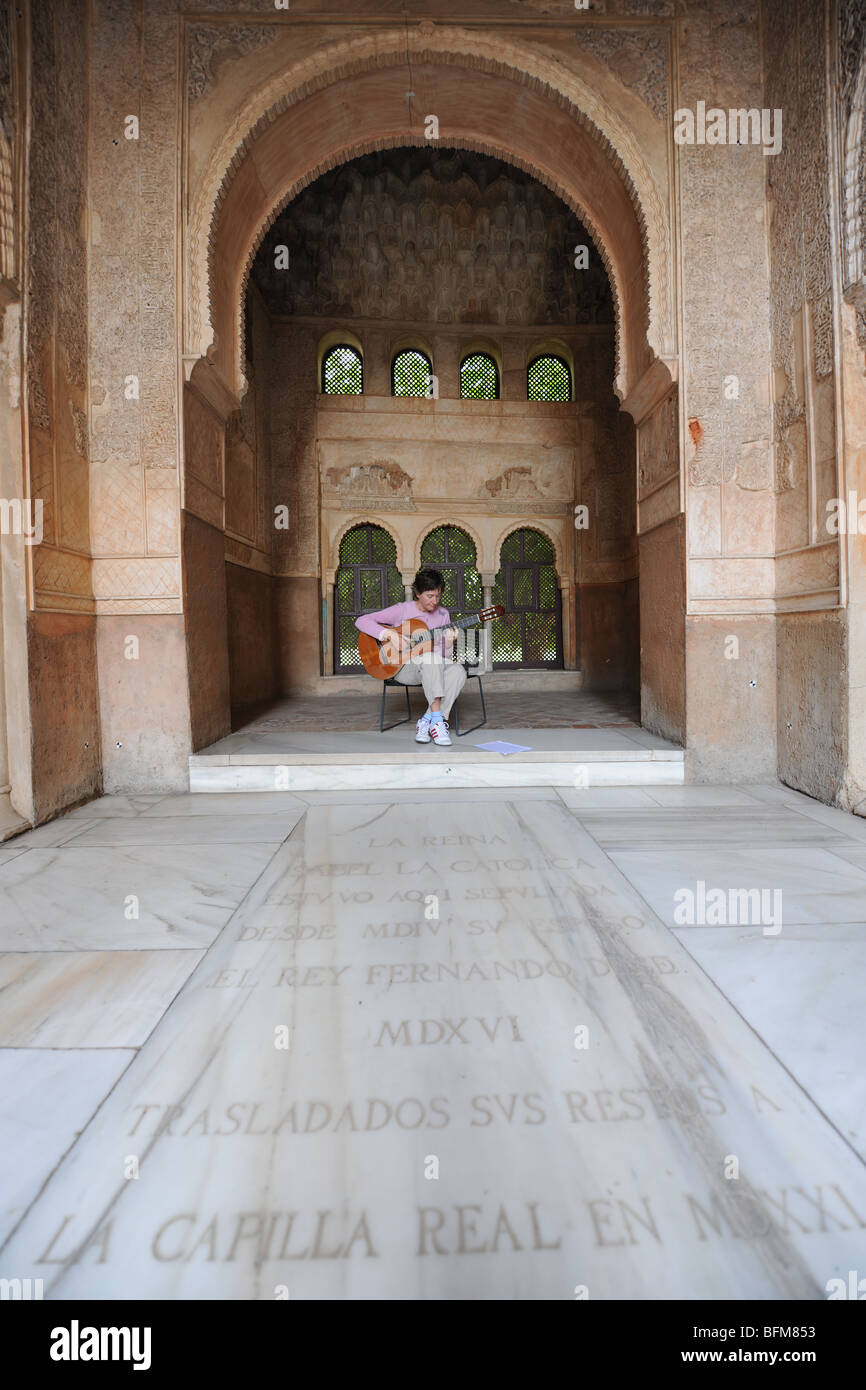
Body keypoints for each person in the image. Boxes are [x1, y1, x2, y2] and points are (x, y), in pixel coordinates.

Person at [355, 567, 467, 745]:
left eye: (438, 596)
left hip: (431, 668)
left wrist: (448, 644)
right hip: (401, 667)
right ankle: (438, 722)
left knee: (458, 670)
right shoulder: (402, 610)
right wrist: (389, 635)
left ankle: (426, 721)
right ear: (417, 593)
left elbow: (441, 657)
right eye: (430, 596)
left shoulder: (443, 615)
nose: (435, 601)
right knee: (431, 659)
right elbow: (361, 621)